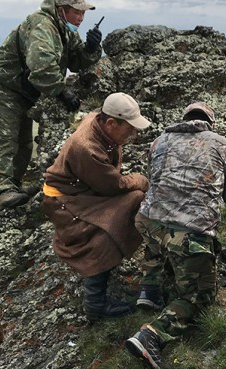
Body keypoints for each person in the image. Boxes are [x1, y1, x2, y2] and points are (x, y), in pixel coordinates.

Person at [125, 102, 226, 369]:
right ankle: (152, 335)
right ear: (209, 123)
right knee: (199, 297)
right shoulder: (221, 144)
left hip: (149, 224)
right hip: (188, 235)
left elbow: (157, 183)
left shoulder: (158, 142)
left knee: (160, 238)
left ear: (185, 120)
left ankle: (150, 288)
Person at [0, 0, 105, 210]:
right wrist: (60, 90)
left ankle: (15, 188)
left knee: (24, 142)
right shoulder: (43, 25)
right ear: (62, 10)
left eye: (83, 13)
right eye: (76, 12)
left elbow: (77, 62)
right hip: (4, 85)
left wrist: (91, 48)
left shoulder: (64, 30)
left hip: (25, 89)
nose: (80, 18)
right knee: (6, 137)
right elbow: (41, 67)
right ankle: (4, 190)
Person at [42, 92, 151, 322]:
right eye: (129, 128)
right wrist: (139, 179)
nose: (132, 133)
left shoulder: (101, 125)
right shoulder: (86, 147)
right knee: (105, 229)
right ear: (111, 122)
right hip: (66, 202)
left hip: (82, 193)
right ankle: (95, 304)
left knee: (127, 206)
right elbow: (113, 185)